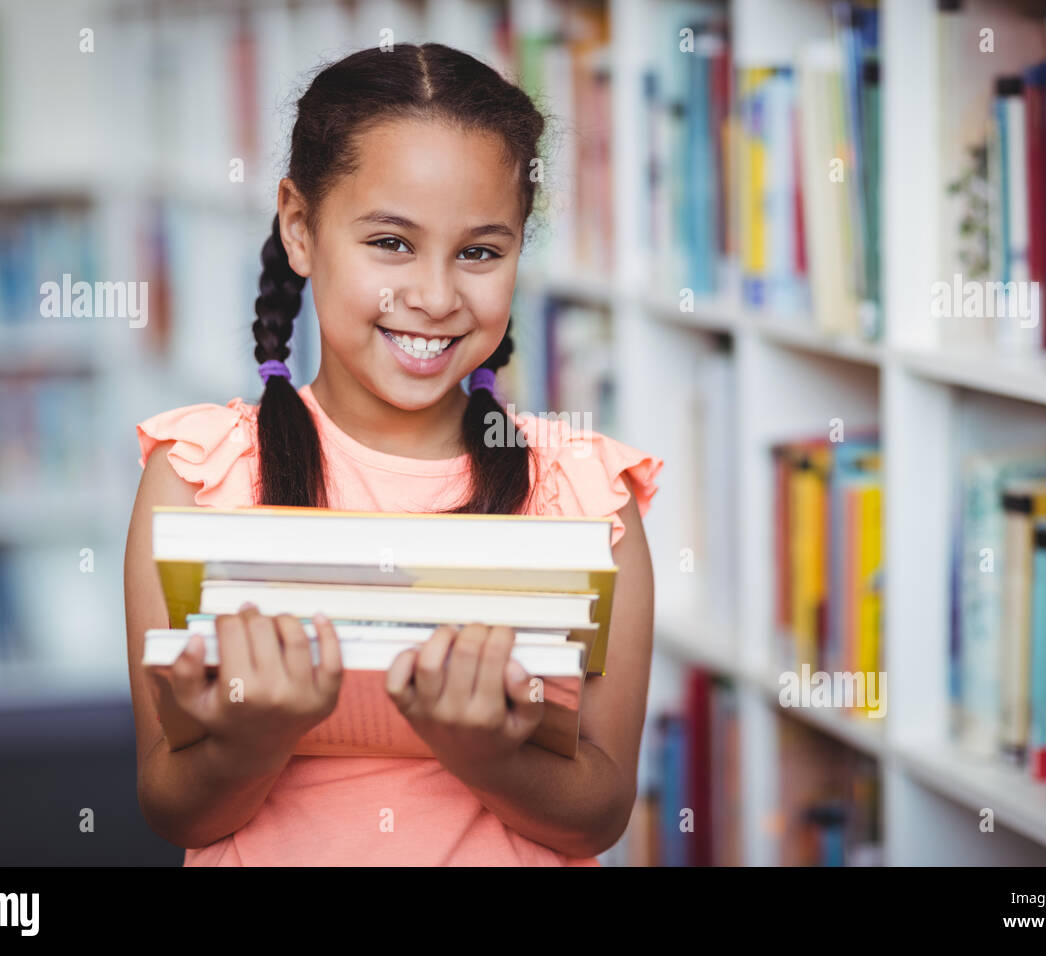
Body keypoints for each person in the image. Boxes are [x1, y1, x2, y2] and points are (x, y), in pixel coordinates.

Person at [123, 42, 662, 866]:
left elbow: (598, 816)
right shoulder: (200, 475)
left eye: (480, 251)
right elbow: (173, 807)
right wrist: (255, 738)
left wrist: (485, 751)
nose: (437, 297)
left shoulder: (588, 496)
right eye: (391, 243)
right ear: (300, 230)